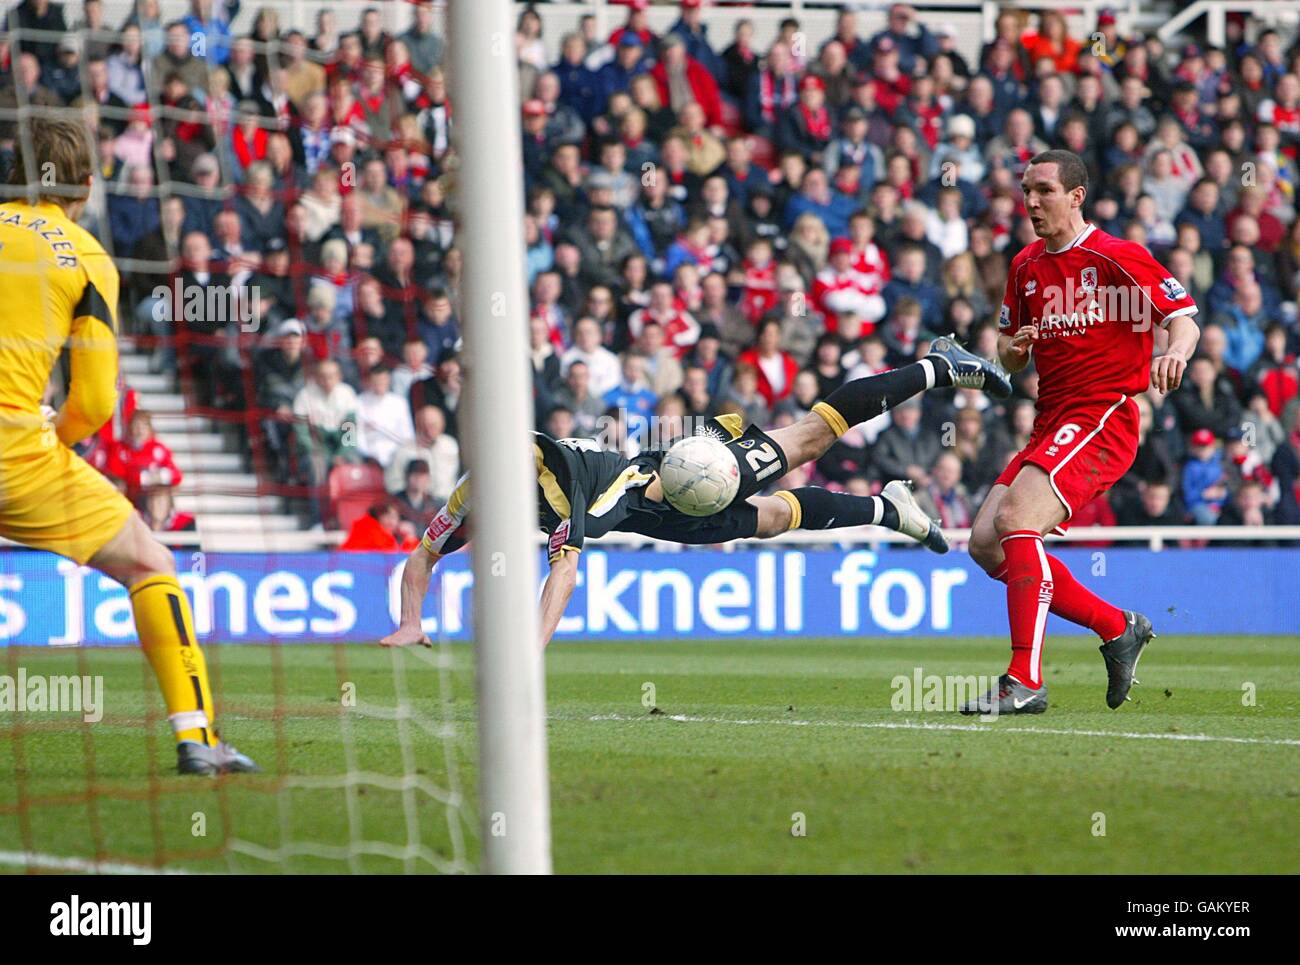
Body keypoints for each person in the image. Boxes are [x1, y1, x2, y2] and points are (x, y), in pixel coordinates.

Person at [381, 340, 1011, 649]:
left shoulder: (558, 476)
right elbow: (422, 555)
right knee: (770, 520)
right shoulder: (475, 493)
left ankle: (937, 364)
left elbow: (566, 573)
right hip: (662, 516)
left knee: (810, 440)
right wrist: (411, 621)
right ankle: (888, 508)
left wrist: (531, 650)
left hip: (680, 470)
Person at [0, 118, 257, 775]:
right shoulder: (84, 255)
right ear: (86, 185)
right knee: (150, 564)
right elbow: (94, 402)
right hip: (17, 457)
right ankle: (196, 735)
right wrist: (45, 438)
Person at [962, 150, 1202, 716]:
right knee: (984, 542)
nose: (1031, 202)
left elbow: (1183, 318)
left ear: (1076, 195)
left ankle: (1023, 680)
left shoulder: (1117, 257)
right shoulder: (1025, 266)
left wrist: (1176, 352)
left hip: (1104, 416)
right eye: (1025, 191)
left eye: (1043, 190)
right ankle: (1118, 628)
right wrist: (1012, 351)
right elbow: (1007, 350)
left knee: (1017, 520)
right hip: (1051, 420)